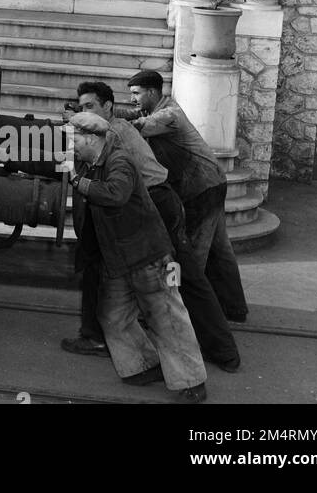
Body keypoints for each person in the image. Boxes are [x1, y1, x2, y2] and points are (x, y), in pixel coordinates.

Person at [60, 81, 241, 372]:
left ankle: (221, 351)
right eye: (81, 108)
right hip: (152, 200)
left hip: (156, 203)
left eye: (90, 106)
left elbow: (95, 170)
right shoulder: (115, 125)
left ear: (107, 106)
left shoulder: (109, 133)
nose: (85, 113)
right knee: (107, 268)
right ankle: (97, 335)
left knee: (182, 277)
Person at [66, 110, 208, 402]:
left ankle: (192, 382)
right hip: (120, 259)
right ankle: (143, 365)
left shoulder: (120, 161)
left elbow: (115, 194)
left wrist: (79, 183)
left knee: (167, 317)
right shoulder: (90, 161)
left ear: (92, 139)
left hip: (151, 256)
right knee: (112, 315)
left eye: (75, 139)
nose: (72, 145)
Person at [117, 69, 249, 324]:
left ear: (153, 92)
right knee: (220, 250)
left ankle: (183, 315)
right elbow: (132, 115)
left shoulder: (169, 115)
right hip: (210, 184)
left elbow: (136, 127)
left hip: (202, 189)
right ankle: (235, 309)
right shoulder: (155, 110)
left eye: (136, 93)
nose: (132, 99)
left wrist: (103, 120)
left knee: (192, 256)